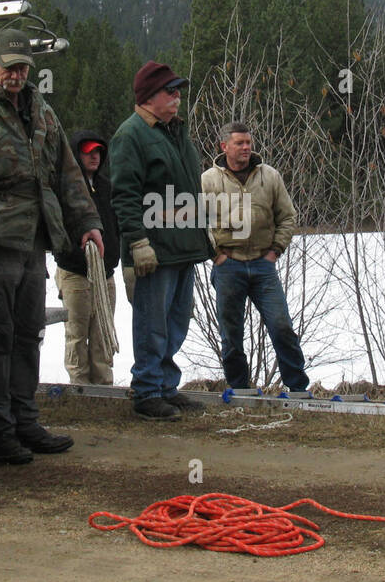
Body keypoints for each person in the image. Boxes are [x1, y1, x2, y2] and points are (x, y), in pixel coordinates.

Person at [0, 28, 101, 464]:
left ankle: (25, 421)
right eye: (9, 66)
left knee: (28, 333)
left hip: (35, 237)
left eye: (23, 67)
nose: (16, 74)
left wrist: (88, 222)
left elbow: (67, 173)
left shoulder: (42, 111)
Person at [110, 60, 213, 419]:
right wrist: (138, 243)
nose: (177, 97)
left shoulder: (175, 131)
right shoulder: (130, 135)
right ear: (150, 96)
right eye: (170, 91)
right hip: (154, 250)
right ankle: (148, 391)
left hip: (184, 246)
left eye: (178, 90)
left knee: (176, 322)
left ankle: (166, 387)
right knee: (152, 325)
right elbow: (123, 195)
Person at [200, 121, 309, 392]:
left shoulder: (269, 176)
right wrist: (216, 256)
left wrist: (276, 250)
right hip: (228, 266)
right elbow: (198, 224)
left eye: (248, 142)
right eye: (239, 143)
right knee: (231, 335)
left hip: (263, 265)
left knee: (281, 326)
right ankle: (239, 390)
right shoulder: (208, 180)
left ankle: (298, 389)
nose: (246, 147)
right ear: (224, 146)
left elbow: (287, 216)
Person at [54, 132, 120, 385]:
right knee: (76, 333)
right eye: (88, 152)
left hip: (106, 273)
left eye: (98, 152)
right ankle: (79, 388)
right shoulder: (65, 188)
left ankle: (104, 387)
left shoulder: (106, 186)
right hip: (74, 271)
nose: (94, 157)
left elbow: (115, 226)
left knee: (104, 332)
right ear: (76, 155)